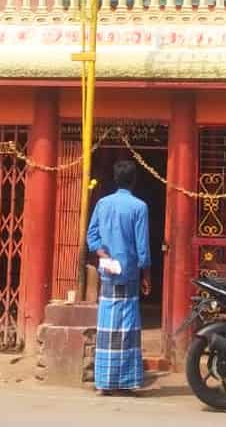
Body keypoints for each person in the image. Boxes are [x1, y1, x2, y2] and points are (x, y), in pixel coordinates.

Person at [85, 159, 152, 395]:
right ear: (134, 180)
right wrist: (147, 273)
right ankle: (128, 380)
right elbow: (142, 246)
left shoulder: (102, 204)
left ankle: (103, 381)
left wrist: (101, 251)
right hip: (130, 273)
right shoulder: (139, 207)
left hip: (108, 272)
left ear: (115, 179)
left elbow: (91, 235)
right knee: (127, 326)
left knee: (107, 324)